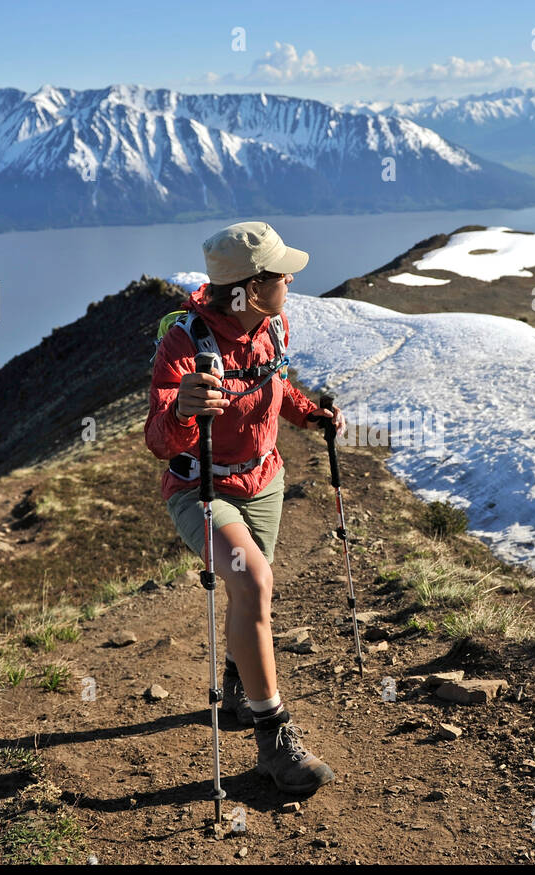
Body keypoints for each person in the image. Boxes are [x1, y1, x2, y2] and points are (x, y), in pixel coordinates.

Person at [145, 221, 345, 796]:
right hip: (200, 489)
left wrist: (308, 415)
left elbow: (275, 385)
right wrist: (184, 410)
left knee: (247, 590)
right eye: (280, 272)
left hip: (266, 484)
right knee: (254, 582)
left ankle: (237, 687)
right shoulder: (184, 342)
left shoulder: (273, 324)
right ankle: (274, 740)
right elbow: (158, 440)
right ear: (249, 288)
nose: (290, 277)